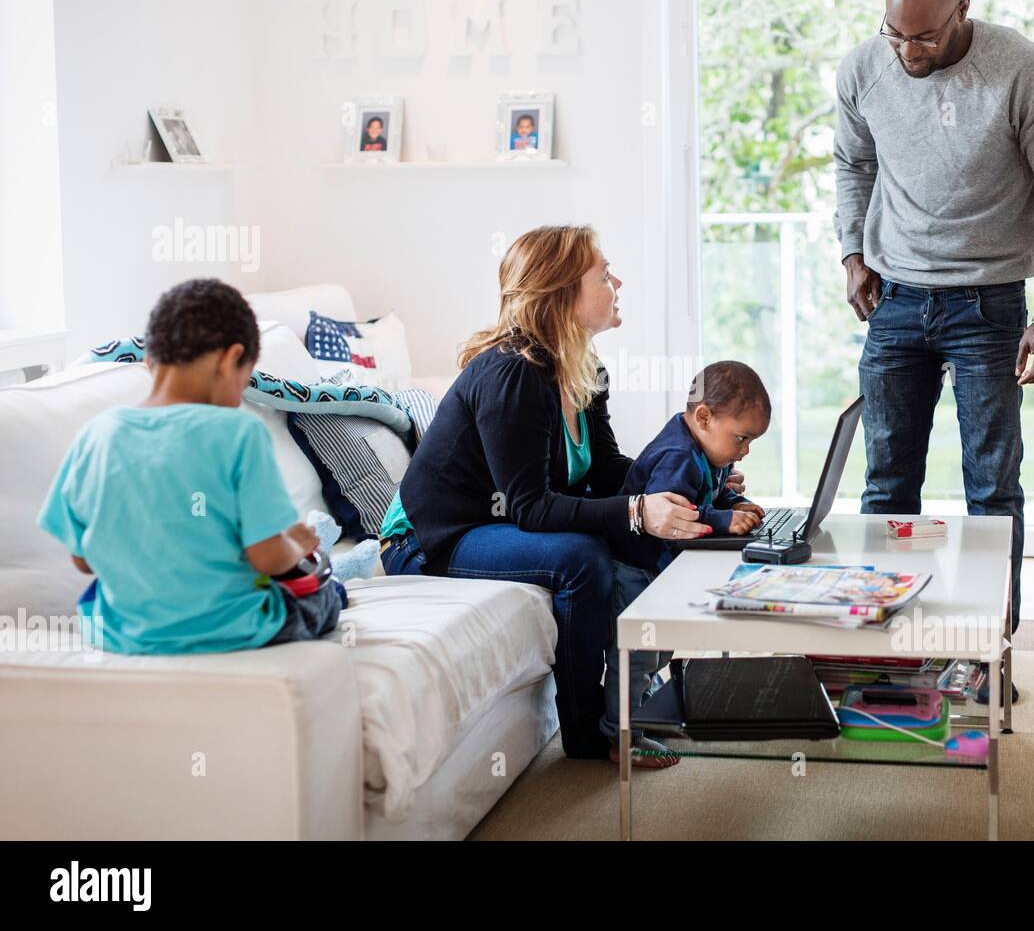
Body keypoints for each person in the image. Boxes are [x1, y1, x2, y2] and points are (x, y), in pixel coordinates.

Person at [833, 0, 1034, 700]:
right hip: (894, 301)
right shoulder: (864, 69)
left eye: (923, 38)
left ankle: (987, 659)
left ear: (962, 12)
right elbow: (851, 165)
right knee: (886, 485)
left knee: (992, 489)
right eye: (894, 35)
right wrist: (853, 253)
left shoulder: (1027, 73)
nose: (907, 52)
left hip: (990, 303)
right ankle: (885, 657)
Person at [383, 225, 726, 766]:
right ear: (563, 292)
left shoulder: (583, 369)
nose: (617, 281)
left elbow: (609, 470)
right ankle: (588, 733)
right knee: (582, 558)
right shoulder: (512, 375)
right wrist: (638, 513)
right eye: (603, 273)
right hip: (432, 539)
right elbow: (533, 507)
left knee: (637, 531)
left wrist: (690, 483)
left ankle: (639, 700)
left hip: (496, 525)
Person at [37, 279, 345, 654]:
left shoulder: (96, 435)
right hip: (231, 629)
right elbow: (267, 558)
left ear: (150, 361)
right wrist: (294, 546)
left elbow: (83, 561)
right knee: (325, 594)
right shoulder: (240, 432)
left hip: (123, 635)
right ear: (232, 359)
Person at [620, 360, 771, 571]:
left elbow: (708, 490)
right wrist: (723, 520)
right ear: (704, 418)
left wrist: (734, 503)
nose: (746, 450)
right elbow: (672, 516)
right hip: (641, 568)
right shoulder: (678, 457)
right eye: (741, 438)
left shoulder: (711, 448)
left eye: (750, 442)